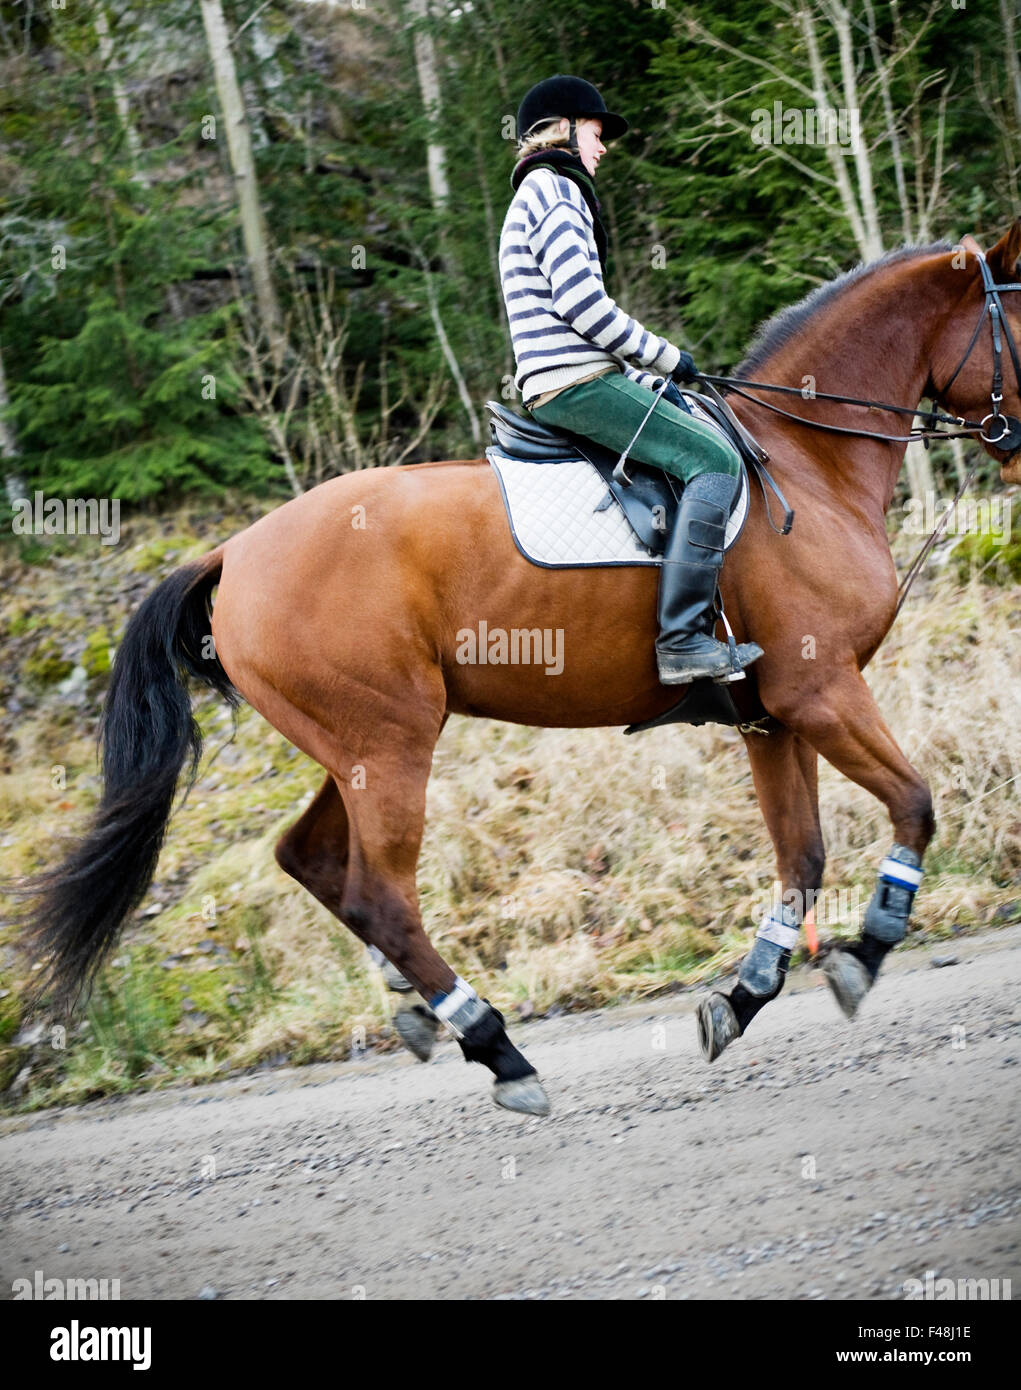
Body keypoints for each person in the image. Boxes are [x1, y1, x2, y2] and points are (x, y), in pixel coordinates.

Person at [499, 74, 762, 684]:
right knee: (716, 459)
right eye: (596, 130)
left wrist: (640, 370)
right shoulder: (556, 189)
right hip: (573, 381)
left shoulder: (540, 192)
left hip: (571, 373)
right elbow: (584, 306)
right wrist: (667, 357)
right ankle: (683, 641)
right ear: (562, 129)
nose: (603, 146)